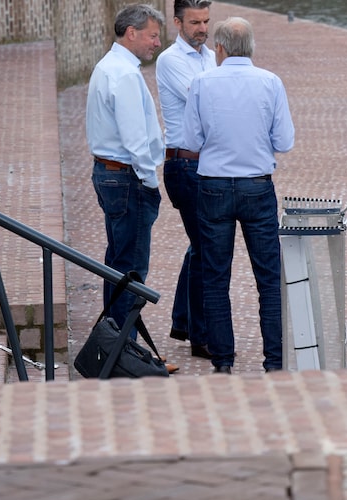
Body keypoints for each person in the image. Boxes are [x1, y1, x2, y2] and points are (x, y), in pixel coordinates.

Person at [182, 17, 295, 373]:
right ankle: (274, 362)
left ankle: (223, 362)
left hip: (214, 184)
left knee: (216, 277)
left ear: (220, 48)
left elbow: (190, 142)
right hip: (257, 186)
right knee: (269, 278)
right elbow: (284, 142)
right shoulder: (270, 82)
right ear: (251, 48)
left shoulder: (202, 82)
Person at [86, 4, 177, 374]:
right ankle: (122, 356)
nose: (157, 42)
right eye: (153, 35)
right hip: (126, 178)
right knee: (131, 271)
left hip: (112, 175)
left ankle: (115, 348)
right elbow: (134, 139)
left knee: (118, 265)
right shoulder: (122, 74)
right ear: (131, 33)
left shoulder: (111, 67)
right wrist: (150, 181)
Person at [156, 0, 215, 360]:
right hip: (184, 165)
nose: (203, 28)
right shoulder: (170, 60)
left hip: (206, 165)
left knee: (200, 245)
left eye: (206, 21)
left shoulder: (210, 57)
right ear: (177, 22)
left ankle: (184, 321)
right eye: (195, 22)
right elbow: (205, 100)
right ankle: (201, 335)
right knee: (207, 247)